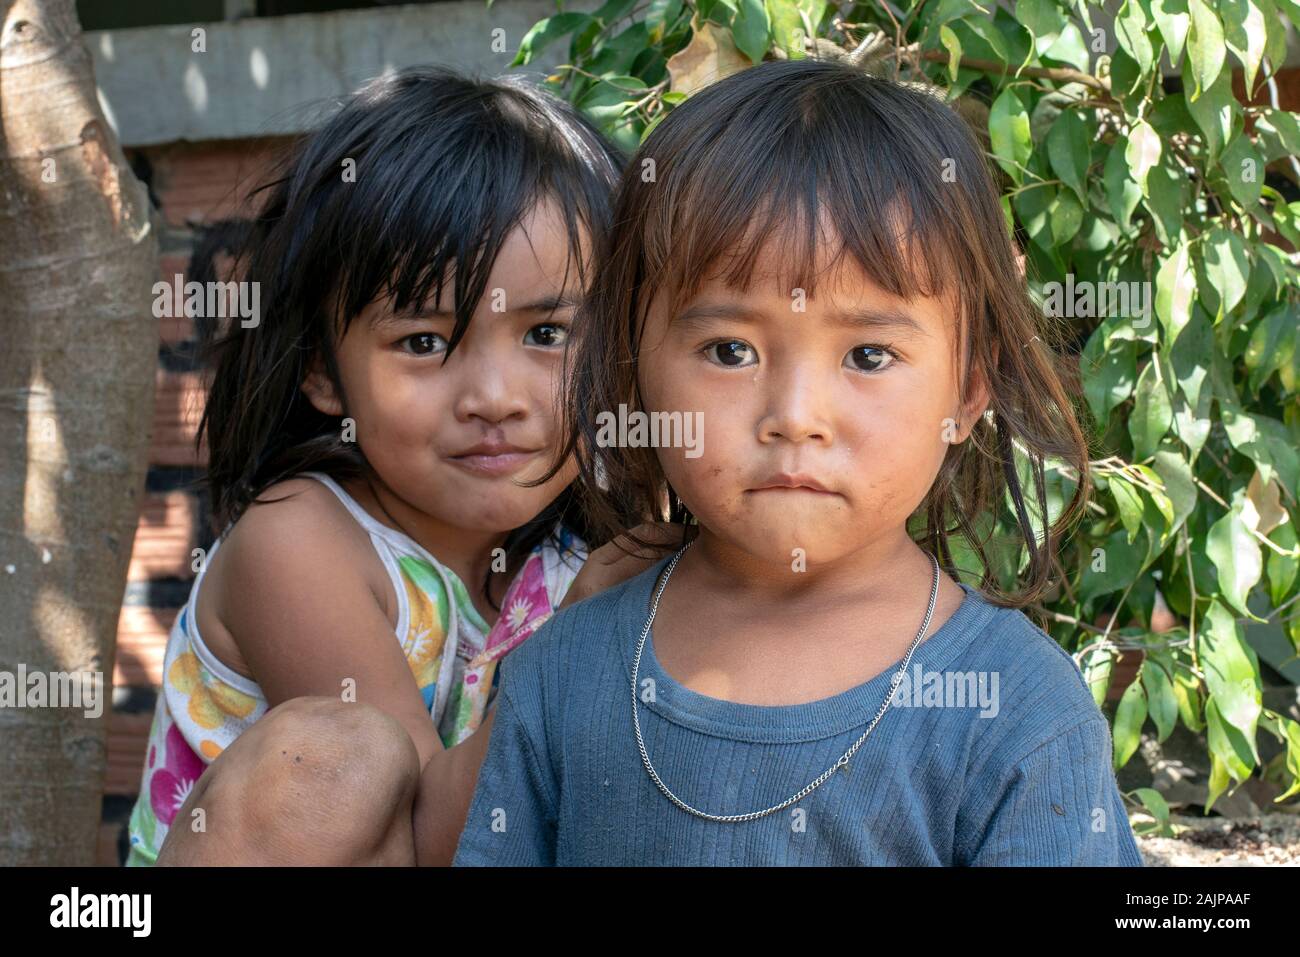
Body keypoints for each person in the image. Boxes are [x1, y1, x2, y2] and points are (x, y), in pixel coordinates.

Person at [450, 58, 1145, 866]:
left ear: (967, 390)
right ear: (634, 369)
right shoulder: (563, 673)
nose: (794, 416)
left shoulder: (1016, 708)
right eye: (730, 349)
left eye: (871, 355)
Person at [126, 65, 625, 865]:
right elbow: (436, 837)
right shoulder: (297, 544)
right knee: (346, 754)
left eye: (547, 334)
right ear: (322, 371)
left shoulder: (580, 547)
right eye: (424, 342)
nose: (494, 397)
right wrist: (578, 638)